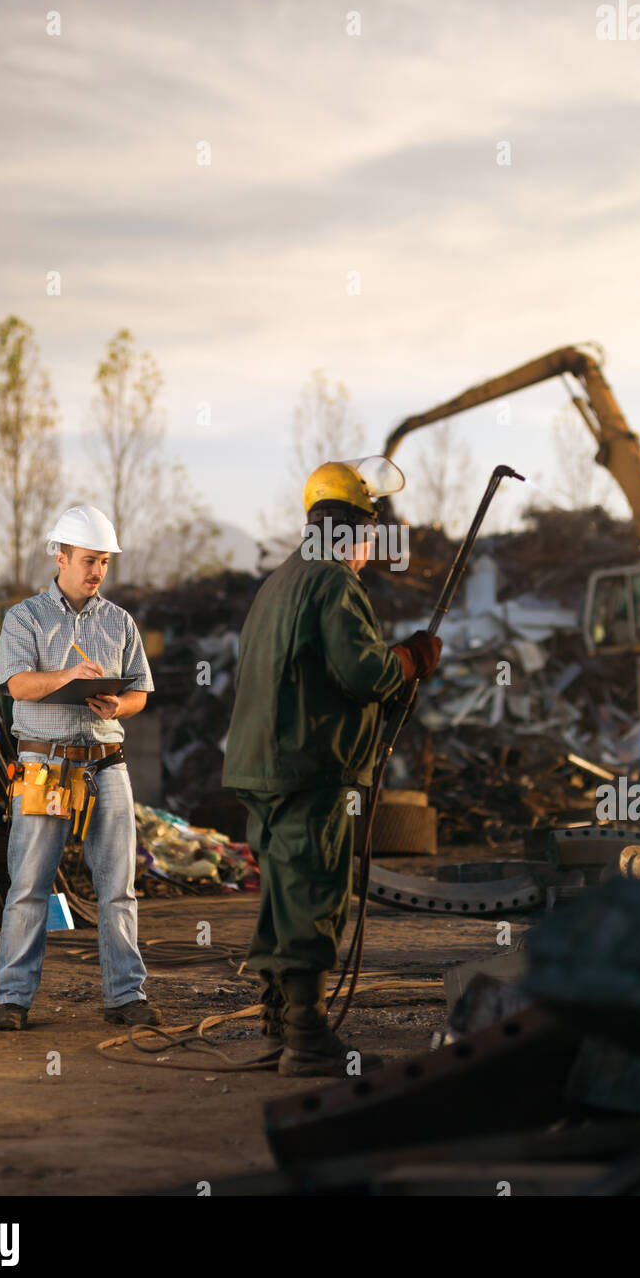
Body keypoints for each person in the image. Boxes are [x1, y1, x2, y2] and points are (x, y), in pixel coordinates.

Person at [222, 458, 442, 1076]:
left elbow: (314, 669)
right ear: (354, 528)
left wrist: (397, 665)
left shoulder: (281, 580)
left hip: (260, 765)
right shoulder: (334, 584)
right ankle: (307, 1036)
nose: (371, 546)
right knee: (315, 890)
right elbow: (361, 673)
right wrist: (409, 660)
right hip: (308, 765)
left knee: (280, 895)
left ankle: (277, 1022)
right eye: (370, 531)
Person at [0, 505, 158, 1032]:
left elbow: (140, 692)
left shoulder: (119, 621)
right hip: (45, 766)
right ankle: (13, 1000)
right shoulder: (24, 618)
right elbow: (18, 684)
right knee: (29, 885)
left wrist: (118, 705)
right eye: (89, 560)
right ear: (59, 556)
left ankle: (126, 996)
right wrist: (69, 677)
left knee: (118, 888)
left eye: (104, 562)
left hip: (106, 764)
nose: (97, 571)